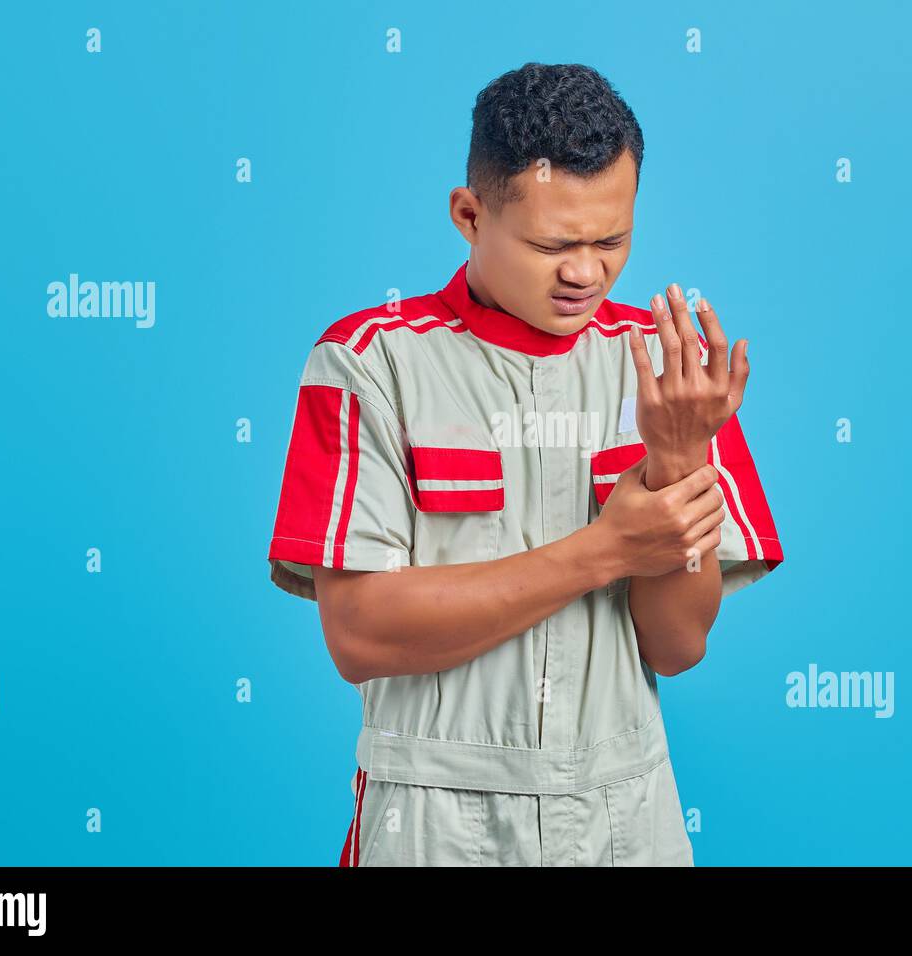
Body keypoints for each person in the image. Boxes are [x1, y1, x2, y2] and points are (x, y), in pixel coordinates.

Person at [267, 62, 784, 866]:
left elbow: (677, 647)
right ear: (469, 215)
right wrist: (603, 552)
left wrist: (678, 456)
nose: (587, 272)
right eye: (553, 243)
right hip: (436, 823)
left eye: (612, 239)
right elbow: (360, 634)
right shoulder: (370, 365)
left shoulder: (667, 375)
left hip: (626, 816)